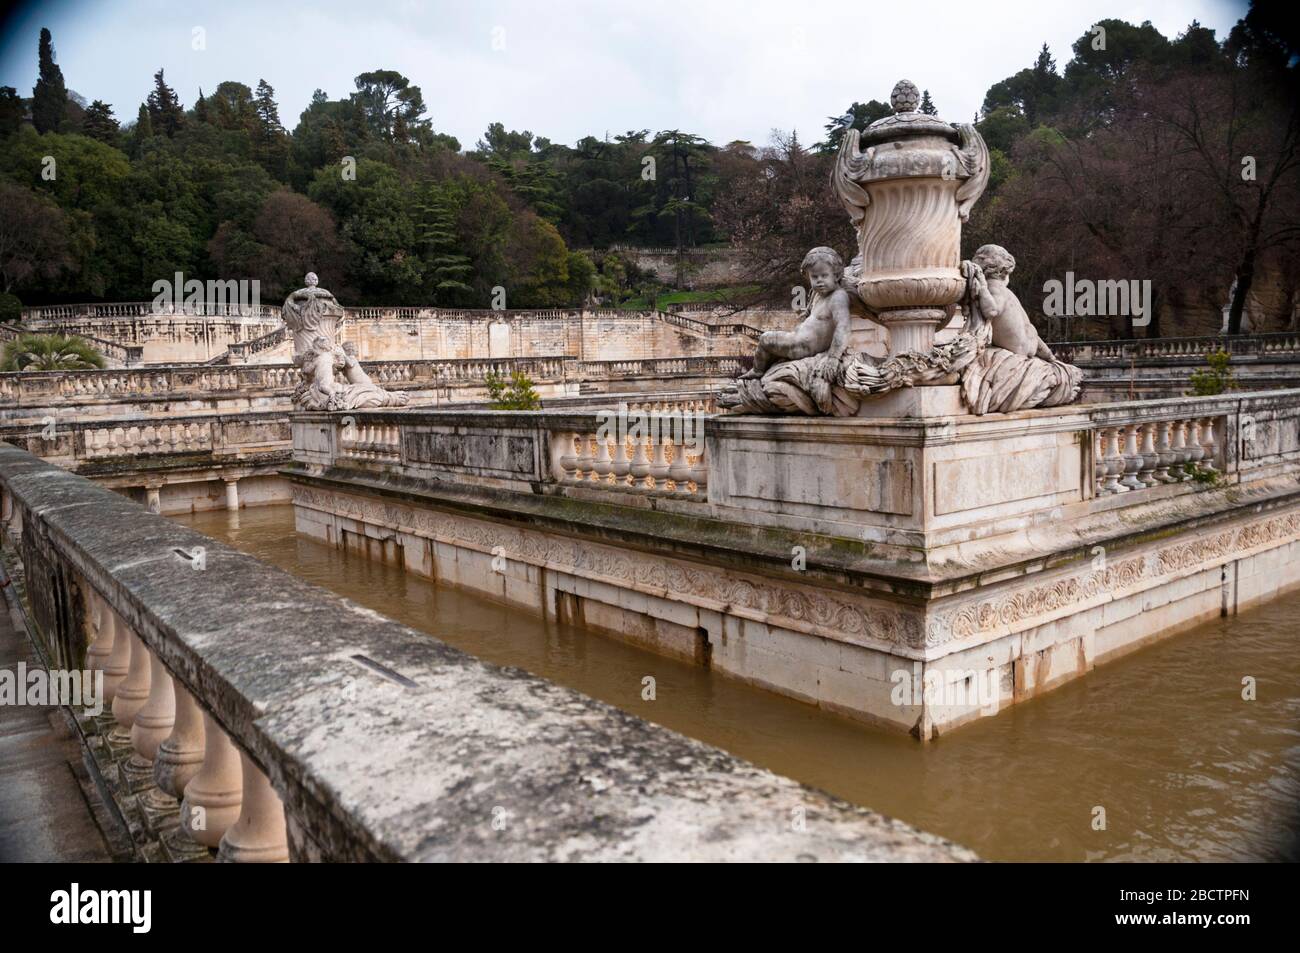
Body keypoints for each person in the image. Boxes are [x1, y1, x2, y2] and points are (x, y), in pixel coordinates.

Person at [740, 246, 852, 381]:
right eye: (814, 277)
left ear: (837, 275)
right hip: (799, 342)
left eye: (824, 275)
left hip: (803, 347)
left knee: (765, 338)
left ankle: (757, 370)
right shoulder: (820, 296)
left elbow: (843, 326)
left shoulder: (838, 297)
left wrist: (833, 358)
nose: (819, 280)